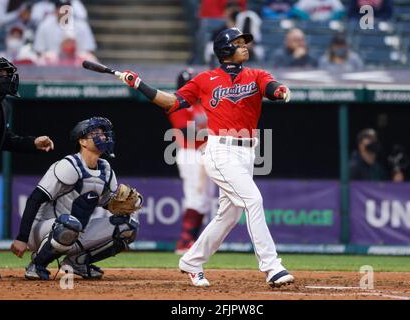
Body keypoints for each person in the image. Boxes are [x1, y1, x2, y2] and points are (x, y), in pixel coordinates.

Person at [119, 27, 295, 288]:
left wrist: (280, 90)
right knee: (253, 200)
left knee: (229, 215)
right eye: (238, 43)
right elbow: (171, 102)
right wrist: (140, 85)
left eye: (244, 42)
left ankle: (191, 261)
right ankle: (272, 267)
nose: (245, 46)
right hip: (220, 150)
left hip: (247, 152)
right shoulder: (204, 80)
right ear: (225, 49)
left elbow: (271, 87)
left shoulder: (256, 74)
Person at [10, 117, 142, 280]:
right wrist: (22, 238)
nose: (102, 137)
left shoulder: (106, 169)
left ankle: (77, 262)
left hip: (76, 230)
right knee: (69, 224)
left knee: (128, 226)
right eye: (96, 133)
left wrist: (129, 204)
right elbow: (34, 199)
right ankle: (37, 265)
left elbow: (109, 204)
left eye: (103, 133)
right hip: (42, 230)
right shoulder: (69, 165)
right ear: (82, 141)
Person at [0, 56, 54, 282]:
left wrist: (32, 143)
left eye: (7, 74)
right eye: (1, 74)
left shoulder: (1, 105)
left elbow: (4, 139)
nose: (7, 78)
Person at [169, 69, 216, 255]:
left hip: (205, 153)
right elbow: (185, 131)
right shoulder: (178, 105)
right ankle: (184, 241)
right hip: (191, 154)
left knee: (205, 199)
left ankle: (192, 241)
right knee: (195, 197)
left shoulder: (201, 104)